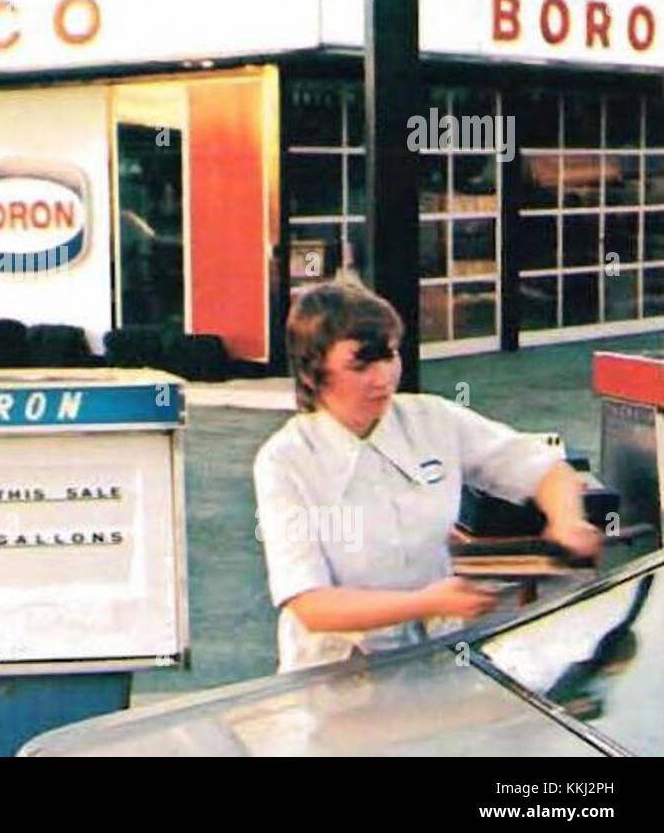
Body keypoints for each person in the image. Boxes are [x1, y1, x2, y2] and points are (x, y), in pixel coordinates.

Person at [253, 282, 602, 672]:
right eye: (361, 365)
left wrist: (568, 521)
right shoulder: (285, 462)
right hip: (336, 677)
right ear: (313, 372)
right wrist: (429, 603)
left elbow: (545, 469)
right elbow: (312, 605)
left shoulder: (433, 419)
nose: (383, 377)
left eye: (390, 355)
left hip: (436, 659)